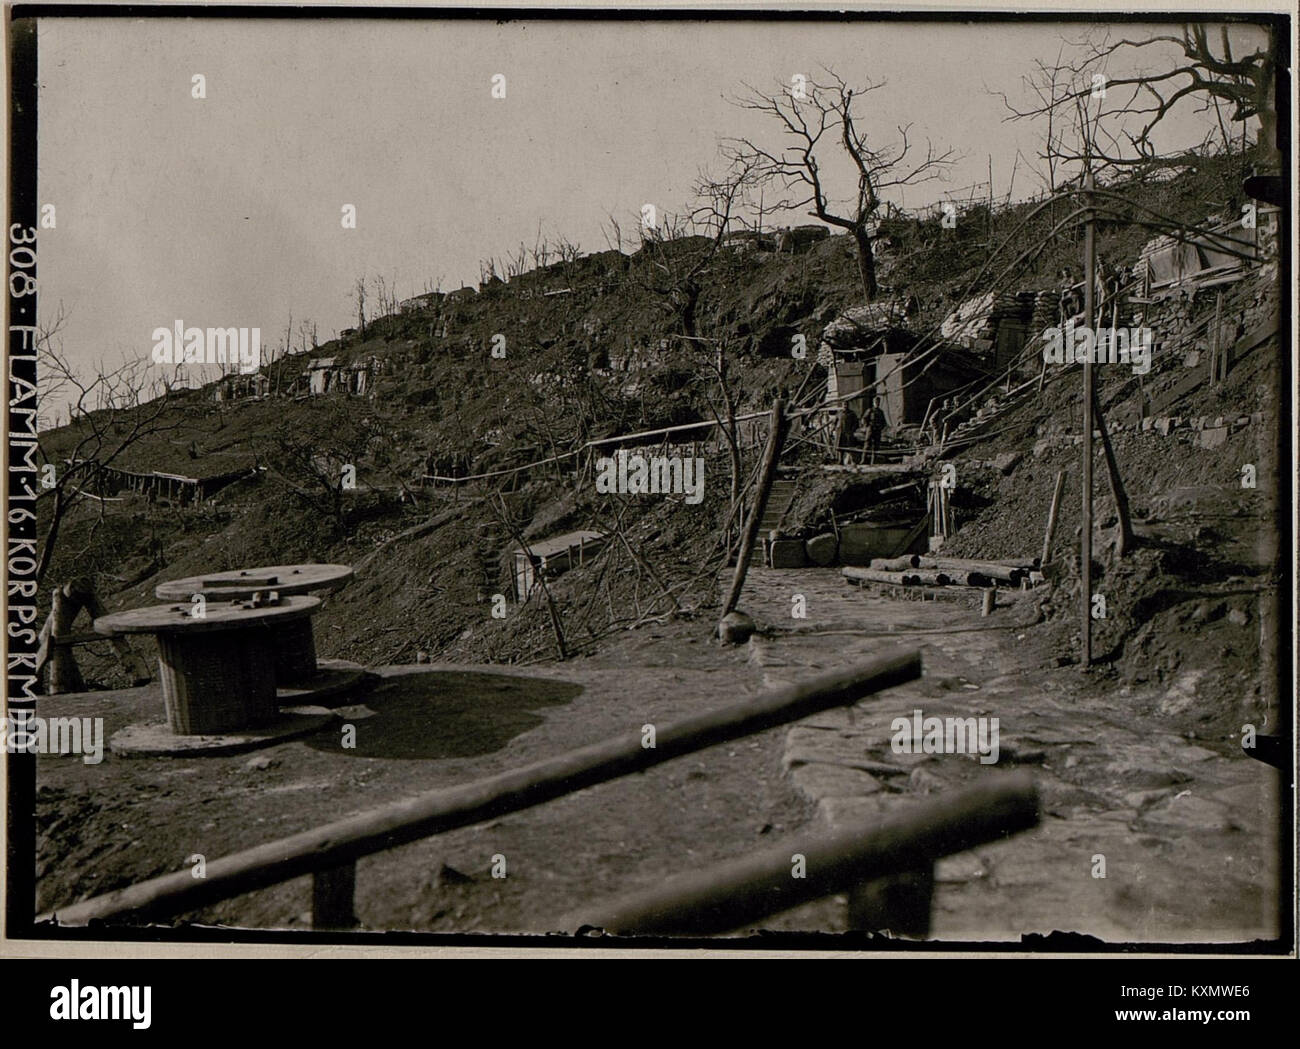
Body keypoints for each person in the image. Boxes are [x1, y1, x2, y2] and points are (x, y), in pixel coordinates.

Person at [863, 396, 887, 465]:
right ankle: (863, 460)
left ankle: (873, 462)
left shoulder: (881, 412)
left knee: (875, 446)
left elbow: (883, 422)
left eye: (878, 402)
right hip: (870, 430)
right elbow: (864, 419)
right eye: (876, 402)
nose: (877, 403)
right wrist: (867, 426)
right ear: (873, 403)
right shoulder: (870, 410)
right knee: (867, 445)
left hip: (877, 431)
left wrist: (880, 428)